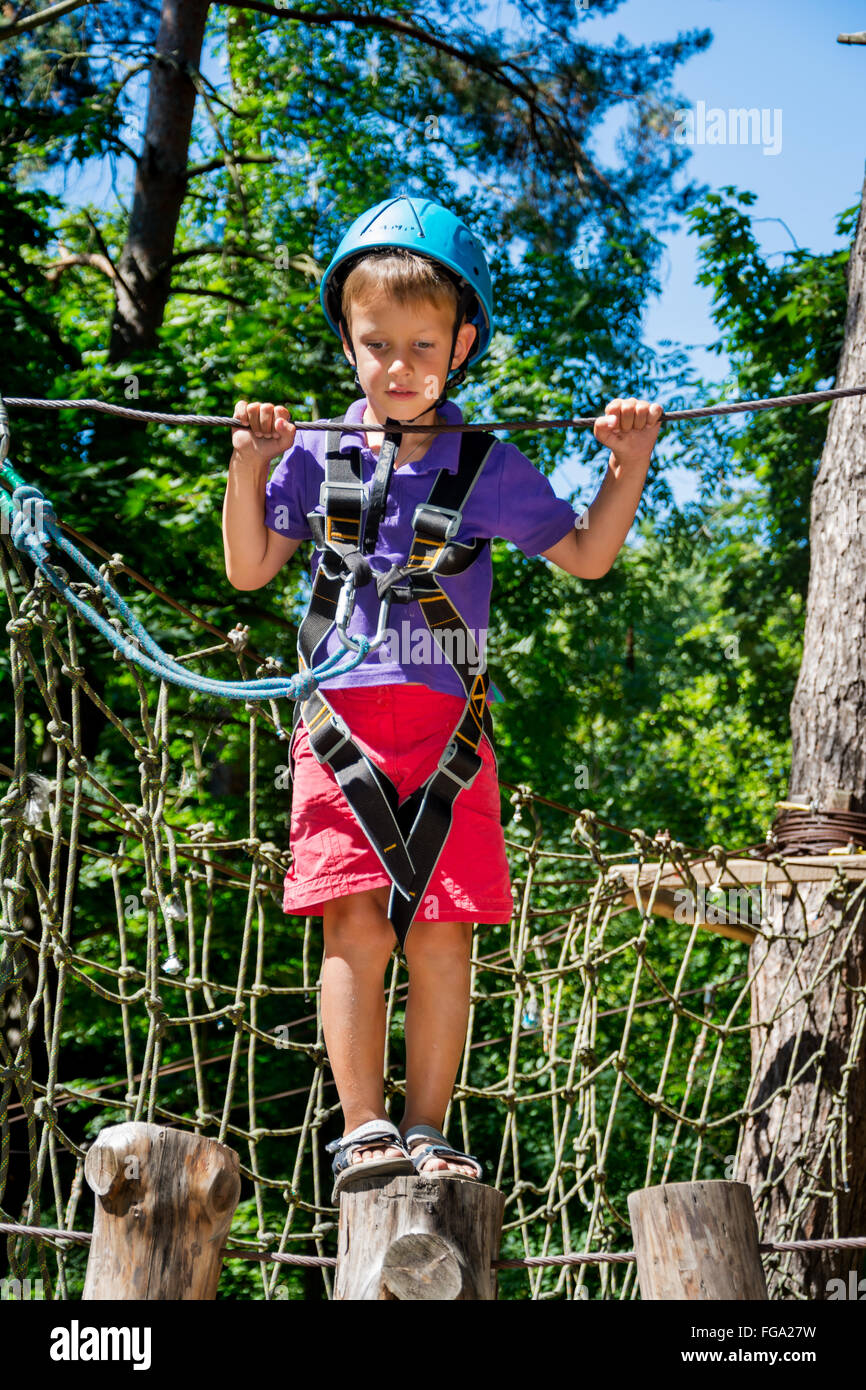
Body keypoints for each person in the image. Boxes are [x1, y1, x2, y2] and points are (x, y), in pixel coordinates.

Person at [222, 195, 663, 1200]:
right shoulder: (311, 454)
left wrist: (624, 465)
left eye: (423, 344)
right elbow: (251, 569)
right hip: (338, 727)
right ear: (347, 341)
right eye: (376, 343)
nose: (400, 366)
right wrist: (247, 469)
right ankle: (364, 1122)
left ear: (461, 344)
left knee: (440, 928)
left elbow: (588, 556)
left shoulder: (490, 467)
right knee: (354, 926)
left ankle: (426, 1123)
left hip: (445, 732)